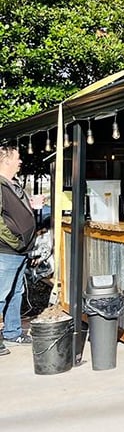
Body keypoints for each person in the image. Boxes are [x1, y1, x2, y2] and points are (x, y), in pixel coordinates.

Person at [0, 143, 41, 355]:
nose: (20, 161)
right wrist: (15, 240)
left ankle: (13, 331)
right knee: (1, 293)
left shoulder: (13, 183)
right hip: (7, 250)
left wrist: (32, 206)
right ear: (6, 160)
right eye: (17, 157)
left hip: (20, 250)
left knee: (16, 292)